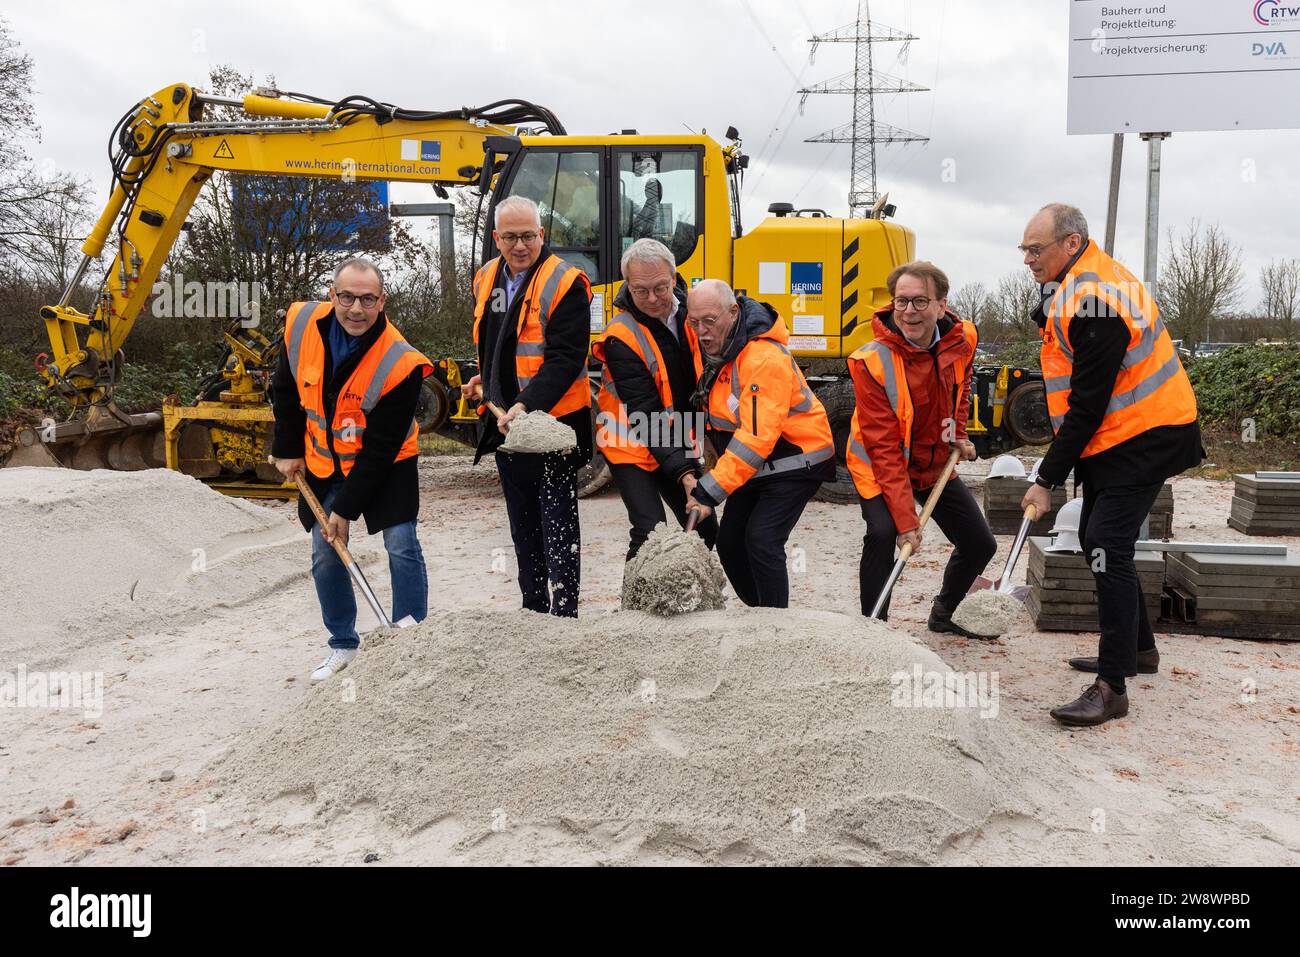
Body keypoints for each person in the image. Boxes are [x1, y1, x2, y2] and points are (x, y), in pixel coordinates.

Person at [1019, 203, 1203, 727]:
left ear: (1071, 244)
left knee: (1104, 543)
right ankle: (1137, 651)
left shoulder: (1094, 299)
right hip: (1119, 435)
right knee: (1100, 540)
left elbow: (1088, 404)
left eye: (1037, 249)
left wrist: (1045, 478)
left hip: (1146, 434)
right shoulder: (1082, 280)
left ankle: (1112, 687)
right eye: (1025, 251)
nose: (1029, 260)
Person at [270, 257, 433, 681]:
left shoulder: (402, 362)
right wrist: (287, 447)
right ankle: (342, 644)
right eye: (346, 297)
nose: (355, 309)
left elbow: (380, 450)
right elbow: (285, 390)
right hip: (323, 461)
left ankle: (411, 641)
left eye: (366, 299)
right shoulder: (302, 325)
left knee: (400, 543)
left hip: (387, 465)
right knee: (325, 551)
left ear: (383, 301)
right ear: (332, 296)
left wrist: (345, 509)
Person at [847, 261, 997, 632]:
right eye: (901, 302)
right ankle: (874, 629)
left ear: (941, 305)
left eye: (919, 302)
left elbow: (960, 391)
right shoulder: (871, 360)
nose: (908, 312)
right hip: (879, 465)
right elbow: (883, 447)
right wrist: (905, 520)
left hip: (932, 463)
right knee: (883, 534)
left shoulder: (963, 341)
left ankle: (944, 614)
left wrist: (957, 433)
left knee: (980, 544)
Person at [462, 196, 593, 618]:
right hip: (507, 427)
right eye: (511, 237)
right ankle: (534, 610)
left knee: (557, 525)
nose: (520, 246)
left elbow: (565, 358)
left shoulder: (566, 281)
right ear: (497, 238)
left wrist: (524, 404)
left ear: (542, 235)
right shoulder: (485, 278)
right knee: (523, 526)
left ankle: (565, 612)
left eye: (528, 237)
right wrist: (488, 378)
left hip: (554, 426)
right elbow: (497, 341)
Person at [684, 279, 835, 607]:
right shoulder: (715, 346)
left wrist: (708, 491)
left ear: (733, 312)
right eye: (693, 322)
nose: (701, 331)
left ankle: (775, 630)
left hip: (797, 459)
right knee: (730, 543)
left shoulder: (763, 357)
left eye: (709, 321)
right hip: (756, 466)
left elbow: (756, 437)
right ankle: (758, 614)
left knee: (762, 540)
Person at [594, 239, 718, 559]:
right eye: (640, 290)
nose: (651, 299)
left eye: (660, 288)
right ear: (628, 286)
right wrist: (686, 475)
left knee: (704, 524)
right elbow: (646, 413)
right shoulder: (621, 335)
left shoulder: (693, 313)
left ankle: (687, 598)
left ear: (675, 278)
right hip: (630, 441)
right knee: (650, 532)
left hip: (676, 433)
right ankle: (636, 606)